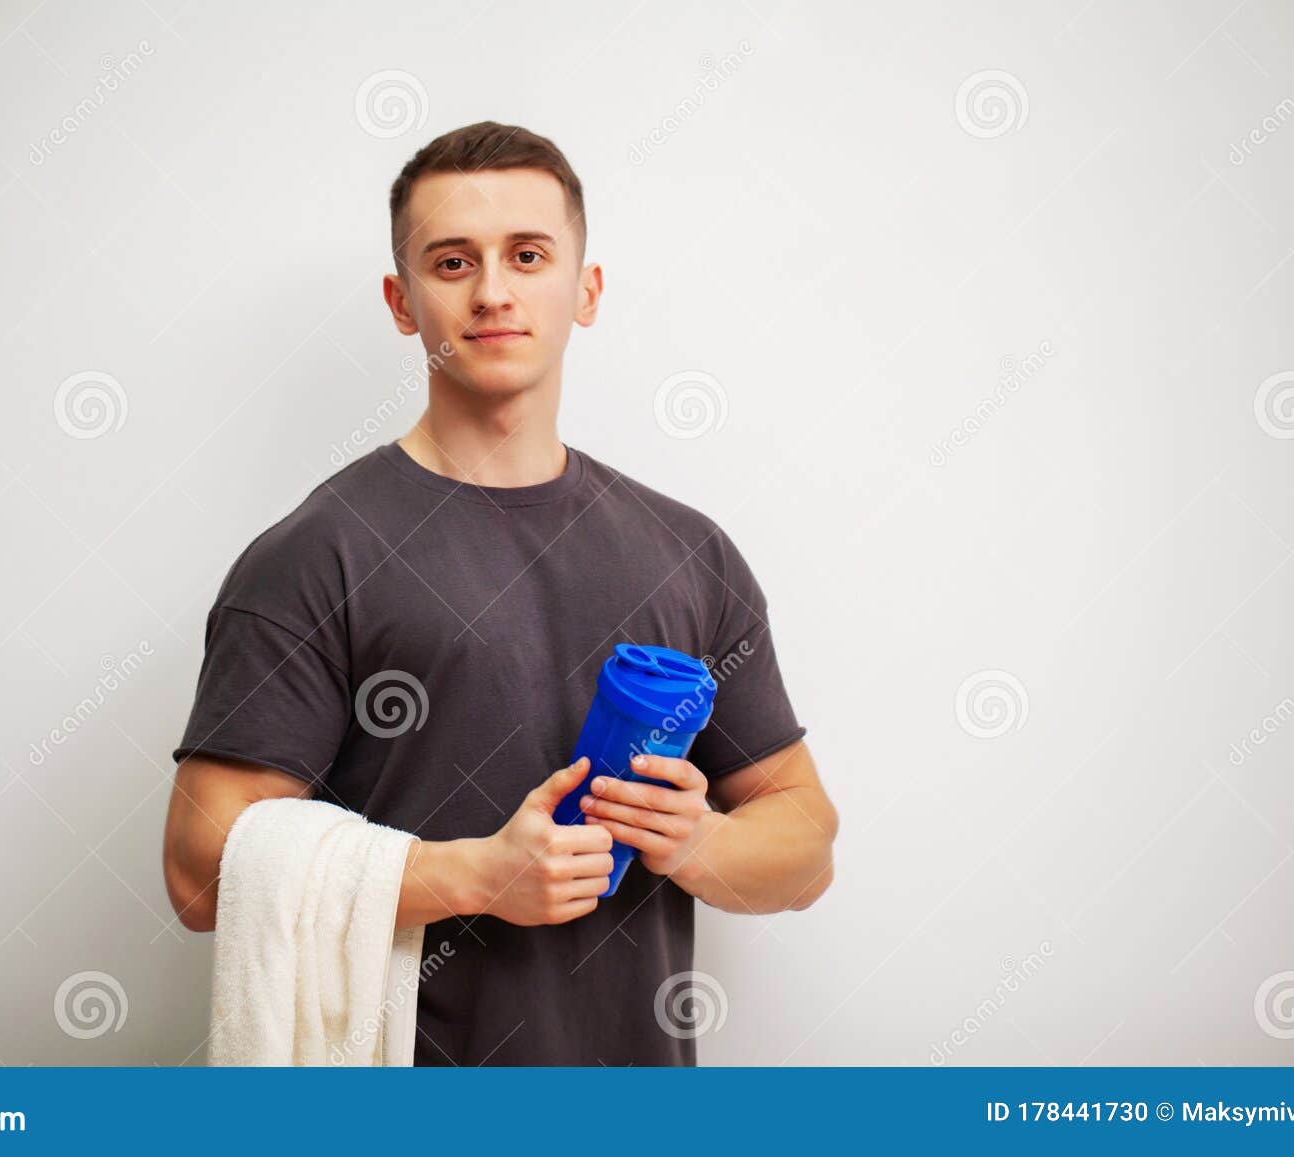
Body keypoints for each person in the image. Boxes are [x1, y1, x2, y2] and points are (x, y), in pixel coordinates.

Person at [162, 121, 839, 1066]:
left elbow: (806, 845)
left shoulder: (691, 552)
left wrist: (694, 845)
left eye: (528, 255)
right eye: (451, 262)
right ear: (402, 302)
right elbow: (199, 875)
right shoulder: (316, 555)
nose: (492, 291)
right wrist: (473, 875)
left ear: (585, 289)